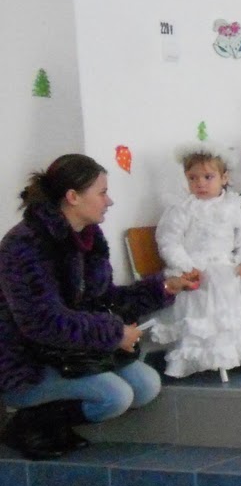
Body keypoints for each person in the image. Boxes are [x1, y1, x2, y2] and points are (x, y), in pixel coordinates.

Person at [0, 155, 198, 459]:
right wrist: (114, 334)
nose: (110, 201)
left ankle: (50, 424)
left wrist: (164, 287)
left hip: (71, 353)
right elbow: (42, 322)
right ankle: (28, 423)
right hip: (27, 365)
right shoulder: (25, 245)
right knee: (115, 395)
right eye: (102, 192)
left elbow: (105, 300)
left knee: (146, 385)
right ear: (73, 197)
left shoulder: (88, 239)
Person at [146, 144, 241, 378]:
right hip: (193, 267)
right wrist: (187, 266)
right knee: (213, 283)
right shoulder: (183, 209)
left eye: (208, 177)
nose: (200, 184)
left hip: (226, 263)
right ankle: (193, 357)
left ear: (224, 177)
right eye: (193, 178)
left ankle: (235, 352)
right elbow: (169, 242)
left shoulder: (233, 207)